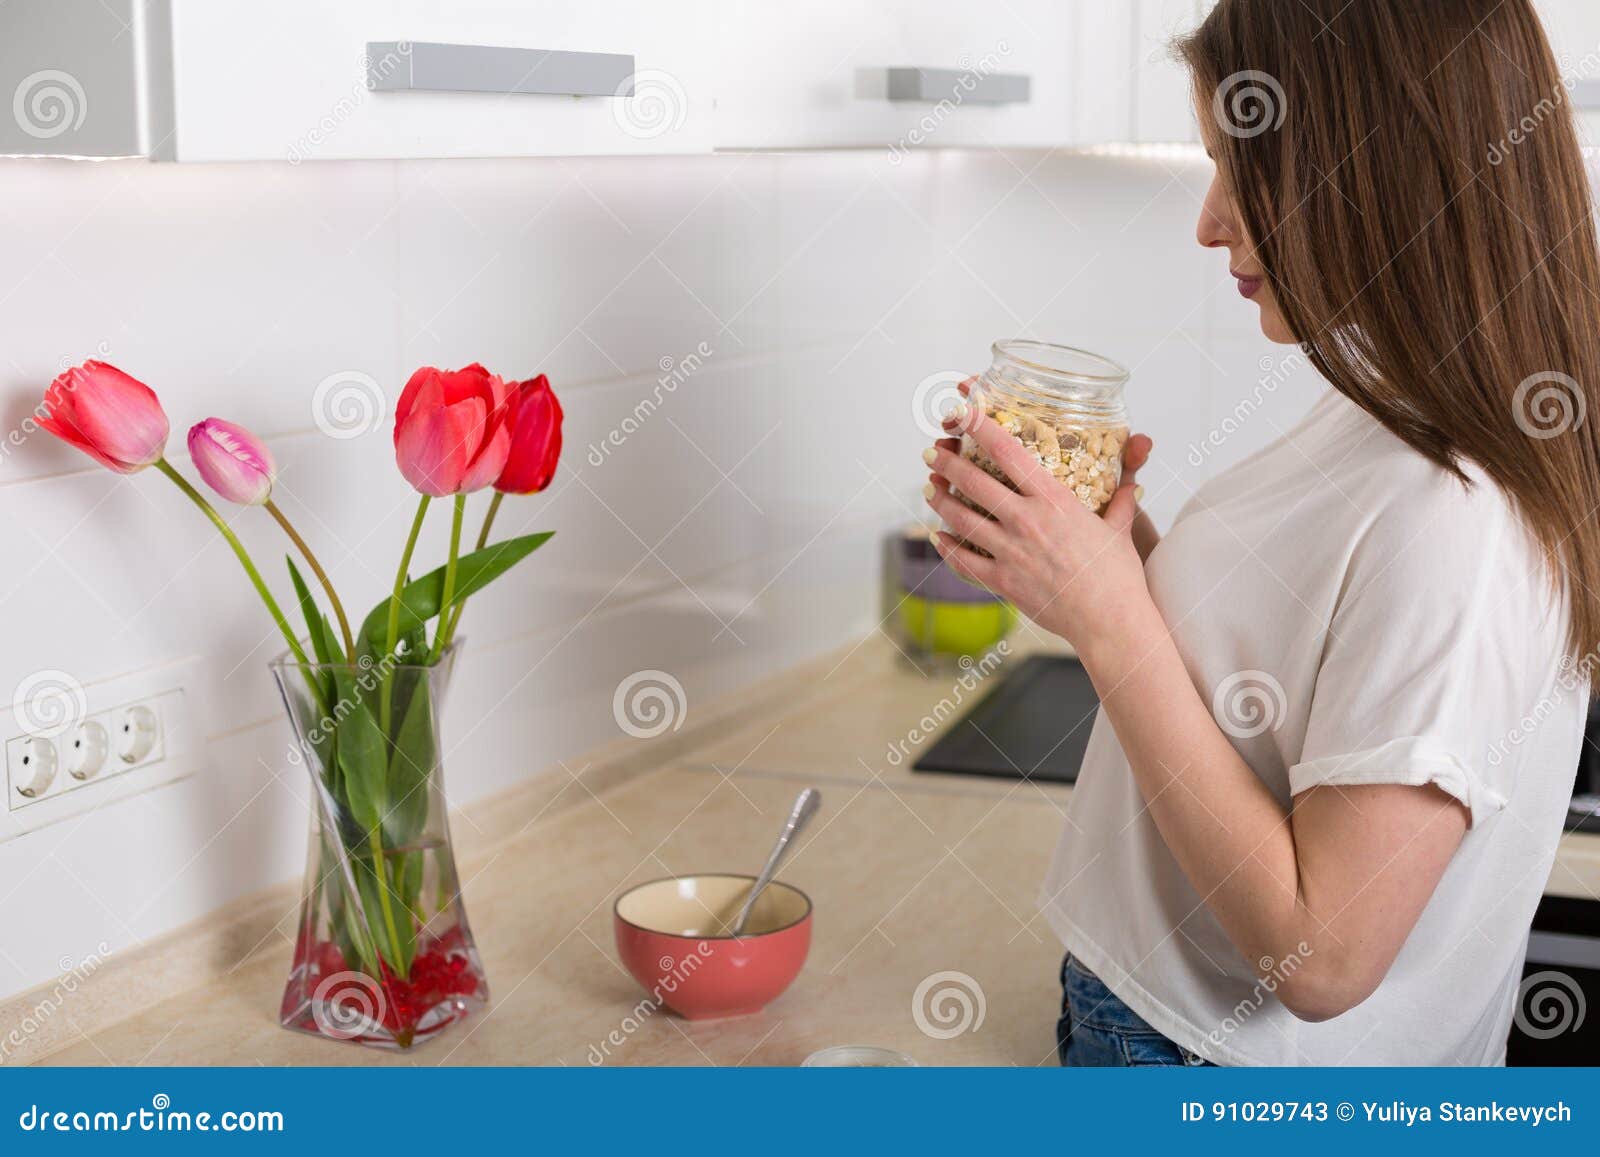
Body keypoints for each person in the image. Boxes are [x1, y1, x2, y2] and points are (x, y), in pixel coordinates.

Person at [921, 0, 1600, 1065]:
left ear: (1380, 170)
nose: (1209, 222)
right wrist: (1095, 558)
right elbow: (1271, 689)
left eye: (1244, 168)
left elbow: (1321, 956)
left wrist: (1105, 618)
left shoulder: (1457, 512)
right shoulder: (1394, 409)